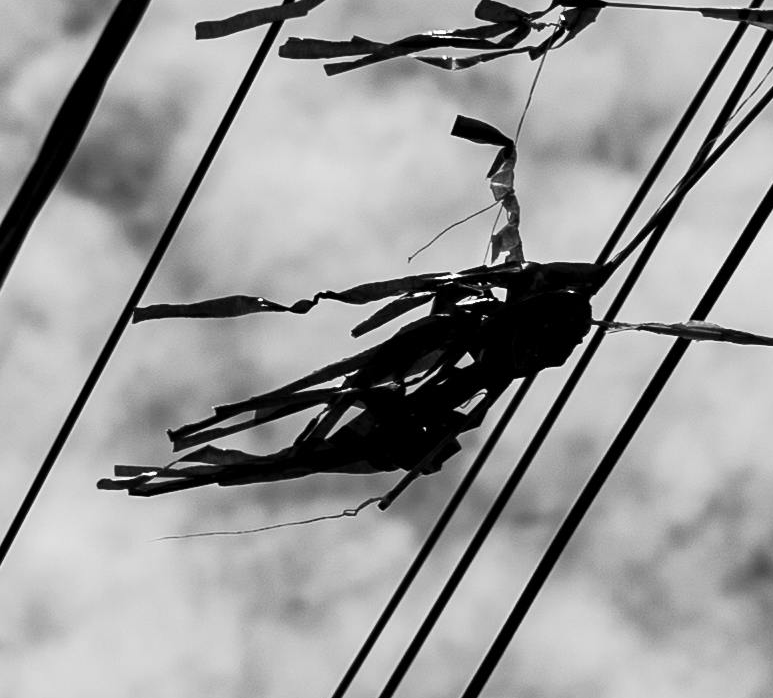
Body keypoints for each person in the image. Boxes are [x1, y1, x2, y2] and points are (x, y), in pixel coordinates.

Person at [104, 120, 597, 500]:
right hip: (451, 361)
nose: (573, 343)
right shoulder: (476, 330)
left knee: (354, 408)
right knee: (359, 392)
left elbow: (492, 364)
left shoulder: (488, 349)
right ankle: (223, 457)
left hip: (450, 373)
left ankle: (226, 460)